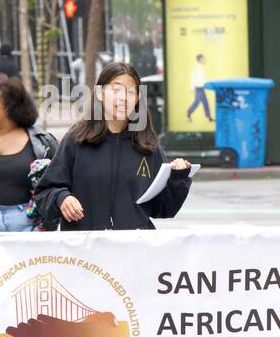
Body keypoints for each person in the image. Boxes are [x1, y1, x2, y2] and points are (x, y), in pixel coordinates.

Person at [35, 61, 193, 231]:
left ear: (138, 97)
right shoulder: (77, 139)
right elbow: (45, 192)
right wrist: (62, 198)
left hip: (135, 249)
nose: (123, 97)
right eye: (116, 89)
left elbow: (163, 209)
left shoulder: (148, 146)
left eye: (131, 91)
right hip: (85, 249)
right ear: (100, 93)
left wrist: (178, 179)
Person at [0, 76, 59, 232]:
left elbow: (60, 181)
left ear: (10, 107)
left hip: (28, 226)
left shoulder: (43, 142)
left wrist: (47, 226)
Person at [186, 53, 212, 123]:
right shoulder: (196, 69)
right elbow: (193, 79)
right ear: (200, 59)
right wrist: (192, 89)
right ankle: (188, 112)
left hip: (201, 88)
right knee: (197, 102)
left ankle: (209, 117)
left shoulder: (201, 68)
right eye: (203, 58)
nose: (204, 60)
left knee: (205, 102)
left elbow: (202, 79)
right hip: (198, 88)